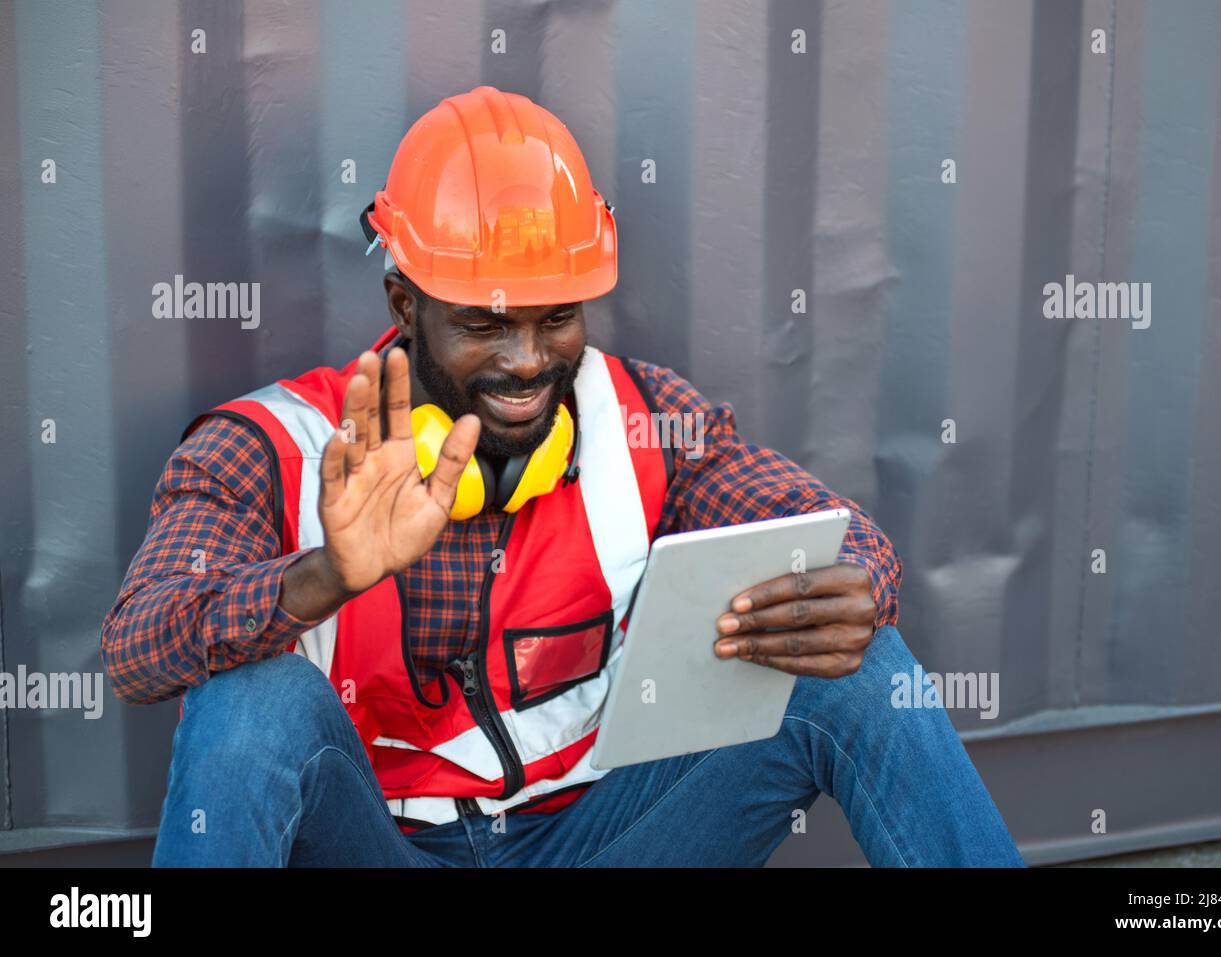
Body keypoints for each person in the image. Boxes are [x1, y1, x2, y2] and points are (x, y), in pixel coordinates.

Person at [101, 85, 1024, 867]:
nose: (529, 361)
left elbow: (819, 521)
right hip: (378, 842)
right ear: (404, 302)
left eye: (556, 318)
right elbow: (138, 650)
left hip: (598, 838)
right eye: (485, 325)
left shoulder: (644, 419)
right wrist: (324, 577)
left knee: (856, 669)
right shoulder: (270, 445)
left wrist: (859, 582)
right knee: (250, 697)